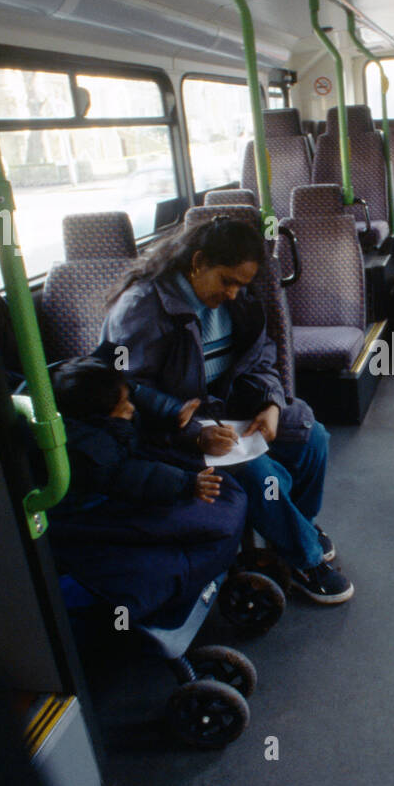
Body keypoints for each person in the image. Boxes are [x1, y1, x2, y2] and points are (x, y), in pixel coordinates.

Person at [99, 216, 353, 604]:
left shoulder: (238, 302)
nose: (234, 293)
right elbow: (124, 387)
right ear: (198, 262)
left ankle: (298, 526)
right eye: (227, 281)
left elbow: (260, 357)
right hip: (168, 424)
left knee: (310, 434)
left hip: (229, 404)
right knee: (254, 467)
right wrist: (192, 431)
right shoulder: (141, 307)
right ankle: (303, 557)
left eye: (241, 284)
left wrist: (271, 402)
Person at [47, 356, 247, 627]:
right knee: (207, 520)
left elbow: (138, 394)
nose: (131, 408)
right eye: (123, 407)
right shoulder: (91, 452)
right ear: (97, 418)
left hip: (126, 474)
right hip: (99, 506)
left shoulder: (101, 400)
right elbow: (132, 476)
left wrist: (173, 410)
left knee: (223, 505)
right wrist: (187, 484)